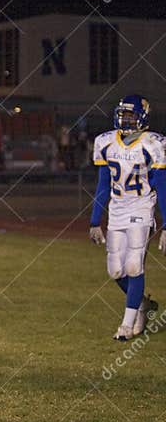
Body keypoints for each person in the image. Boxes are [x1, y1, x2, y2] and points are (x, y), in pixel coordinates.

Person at [89, 95, 164, 340]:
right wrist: (94, 220)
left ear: (142, 117)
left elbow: (162, 185)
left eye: (131, 115)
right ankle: (141, 304)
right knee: (115, 271)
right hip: (118, 210)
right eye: (123, 114)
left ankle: (126, 325)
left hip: (141, 207)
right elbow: (102, 184)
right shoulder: (106, 142)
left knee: (134, 264)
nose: (125, 119)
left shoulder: (152, 143)